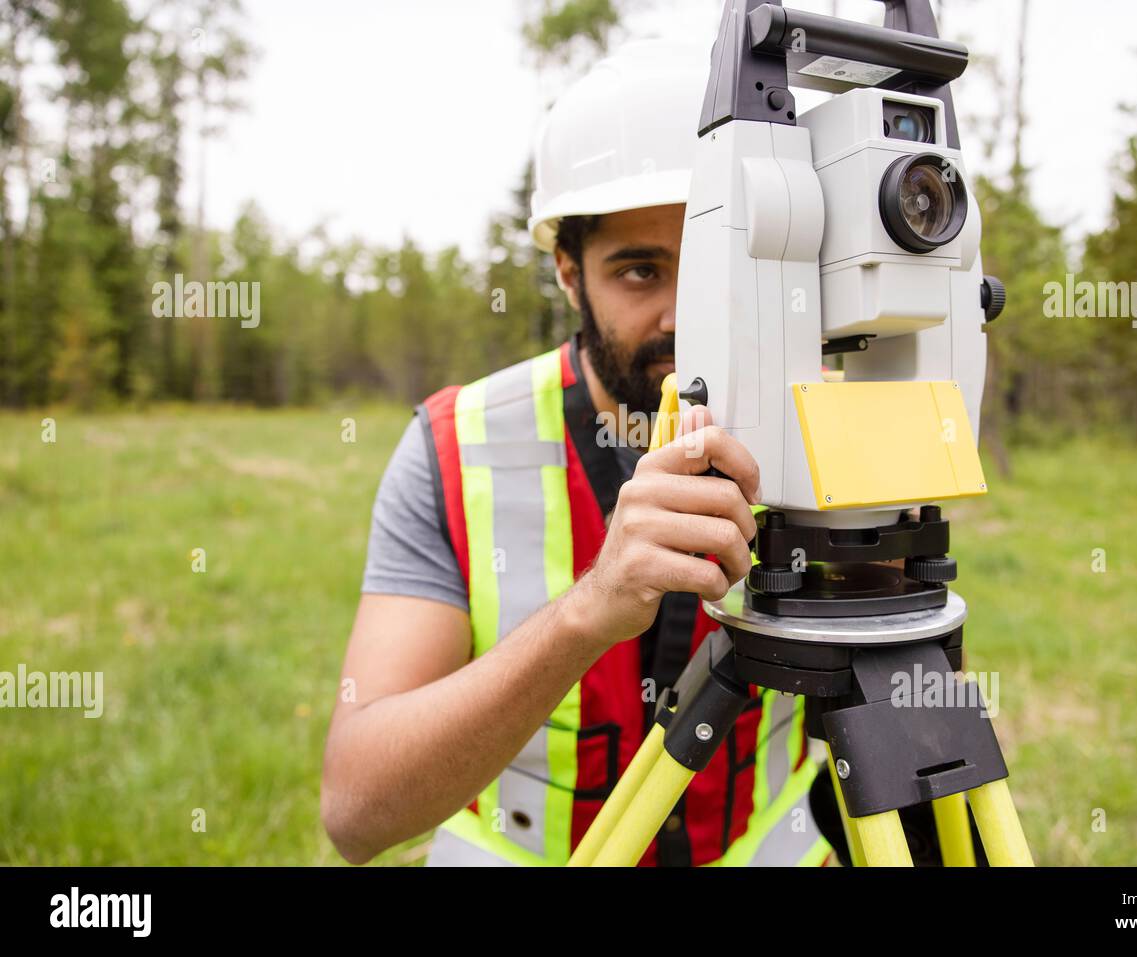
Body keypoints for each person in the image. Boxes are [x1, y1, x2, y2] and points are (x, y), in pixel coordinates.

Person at [320, 40, 832, 867]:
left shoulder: (826, 422)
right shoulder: (458, 447)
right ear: (568, 273)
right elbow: (355, 811)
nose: (681, 313)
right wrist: (588, 610)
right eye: (639, 271)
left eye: (712, 262)